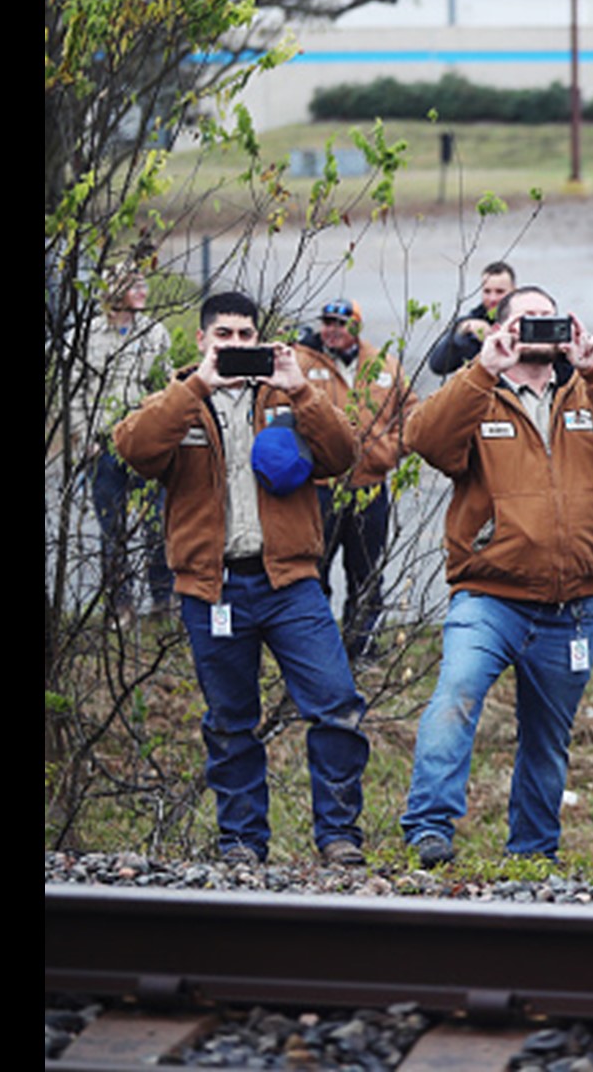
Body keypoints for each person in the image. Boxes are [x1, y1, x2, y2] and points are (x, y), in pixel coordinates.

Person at [400, 285, 593, 867]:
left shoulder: (591, 392)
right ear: (500, 328)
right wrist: (481, 370)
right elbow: (423, 439)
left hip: (572, 605)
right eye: (522, 320)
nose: (536, 329)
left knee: (548, 739)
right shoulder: (478, 394)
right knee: (456, 698)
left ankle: (531, 853)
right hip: (489, 596)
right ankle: (428, 829)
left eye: (545, 317)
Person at [112, 290, 370, 866]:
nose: (234, 345)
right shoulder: (179, 397)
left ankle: (338, 836)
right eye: (222, 336)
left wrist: (301, 388)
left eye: (244, 336)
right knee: (230, 722)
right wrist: (198, 385)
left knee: (337, 705)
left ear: (260, 339)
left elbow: (342, 454)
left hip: (289, 582)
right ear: (202, 340)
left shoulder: (287, 393)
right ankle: (242, 842)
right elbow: (133, 449)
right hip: (213, 588)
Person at [301, 298, 420, 661]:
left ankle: (361, 648)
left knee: (366, 574)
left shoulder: (384, 364)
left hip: (370, 488)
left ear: (356, 326)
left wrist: (387, 452)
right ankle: (316, 650)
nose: (332, 329)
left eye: (340, 322)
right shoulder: (305, 362)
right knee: (313, 573)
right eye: (327, 322)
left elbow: (413, 415)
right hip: (320, 490)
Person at [76, 265, 174, 616]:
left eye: (144, 285)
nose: (143, 292)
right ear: (115, 290)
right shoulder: (89, 335)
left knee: (156, 525)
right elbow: (77, 394)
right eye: (135, 286)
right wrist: (85, 439)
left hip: (146, 445)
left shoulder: (155, 334)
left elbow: (166, 390)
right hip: (105, 446)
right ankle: (121, 605)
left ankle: (163, 600)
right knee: (112, 527)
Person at [427, 260, 517, 375]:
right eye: (487, 291)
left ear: (514, 291)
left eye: (500, 292)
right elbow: (437, 366)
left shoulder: (525, 321)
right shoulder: (469, 324)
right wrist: (463, 329)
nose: (492, 298)